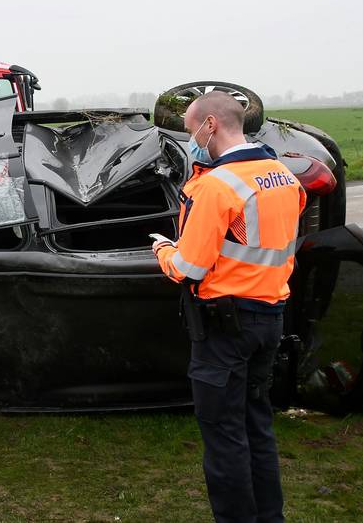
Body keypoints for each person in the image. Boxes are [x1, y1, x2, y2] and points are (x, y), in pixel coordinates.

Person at [152, 91, 305, 523]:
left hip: (225, 329)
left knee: (224, 437)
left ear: (210, 125)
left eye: (190, 130)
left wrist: (163, 249)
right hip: (269, 318)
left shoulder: (216, 187)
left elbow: (188, 268)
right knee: (257, 426)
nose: (191, 140)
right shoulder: (282, 175)